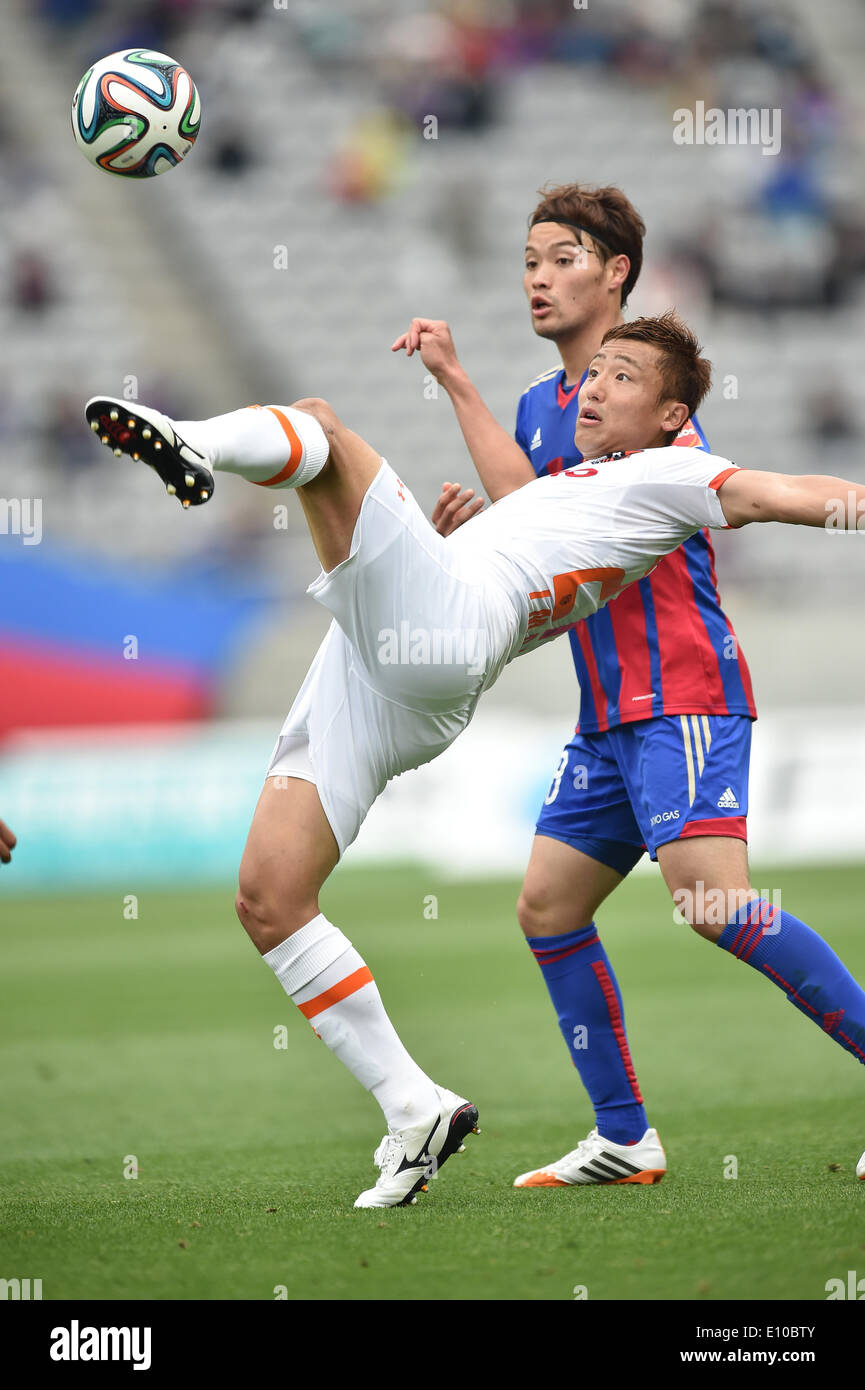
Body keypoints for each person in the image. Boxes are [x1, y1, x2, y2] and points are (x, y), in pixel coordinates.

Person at [85, 311, 865, 1205]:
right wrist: (445, 541)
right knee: (273, 897)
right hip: (385, 664)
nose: (595, 386)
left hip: (453, 642)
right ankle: (423, 1108)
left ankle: (189, 441)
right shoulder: (568, 485)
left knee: (320, 425)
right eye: (596, 370)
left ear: (672, 418)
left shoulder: (673, 474)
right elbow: (529, 549)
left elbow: (783, 492)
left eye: (621, 377)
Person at [393, 183, 757, 1185]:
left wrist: (506, 506)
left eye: (559, 258)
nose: (537, 279)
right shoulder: (535, 409)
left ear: (615, 273)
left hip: (680, 692)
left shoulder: (648, 404)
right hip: (605, 715)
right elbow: (530, 533)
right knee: (548, 905)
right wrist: (468, 504)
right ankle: (625, 1134)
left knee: (716, 908)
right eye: (526, 260)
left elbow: (566, 511)